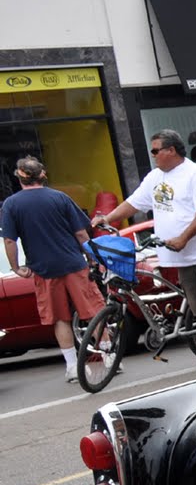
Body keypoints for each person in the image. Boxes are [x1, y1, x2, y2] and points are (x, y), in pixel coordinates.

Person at [92, 129, 196, 372]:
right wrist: (107, 218)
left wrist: (183, 237)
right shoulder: (154, 177)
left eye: (155, 150)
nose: (153, 156)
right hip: (181, 255)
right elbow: (133, 203)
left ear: (171, 150)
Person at [0, 156, 105, 383]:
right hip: (74, 264)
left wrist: (16, 267)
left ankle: (72, 366)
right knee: (94, 310)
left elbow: (9, 240)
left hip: (43, 269)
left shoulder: (11, 204)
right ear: (43, 175)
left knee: (59, 318)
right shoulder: (60, 197)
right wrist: (93, 259)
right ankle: (110, 356)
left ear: (19, 178)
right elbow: (81, 233)